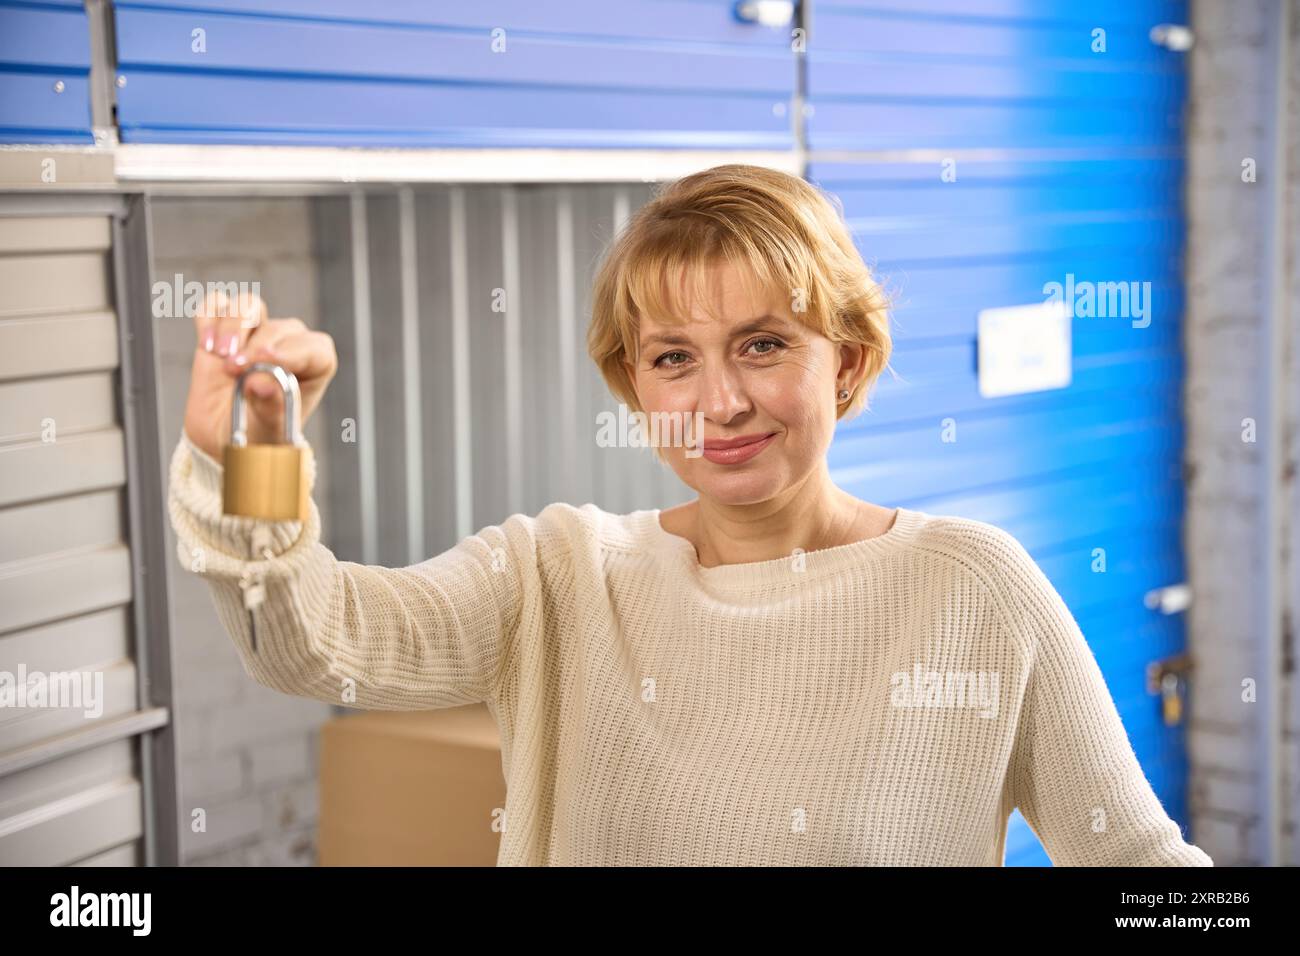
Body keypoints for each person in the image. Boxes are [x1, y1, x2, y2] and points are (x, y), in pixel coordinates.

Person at [168, 164, 1212, 866]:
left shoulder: (972, 585)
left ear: (844, 359)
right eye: (674, 357)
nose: (719, 401)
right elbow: (316, 644)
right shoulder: (558, 574)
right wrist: (255, 458)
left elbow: (1139, 865)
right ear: (635, 383)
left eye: (763, 343)